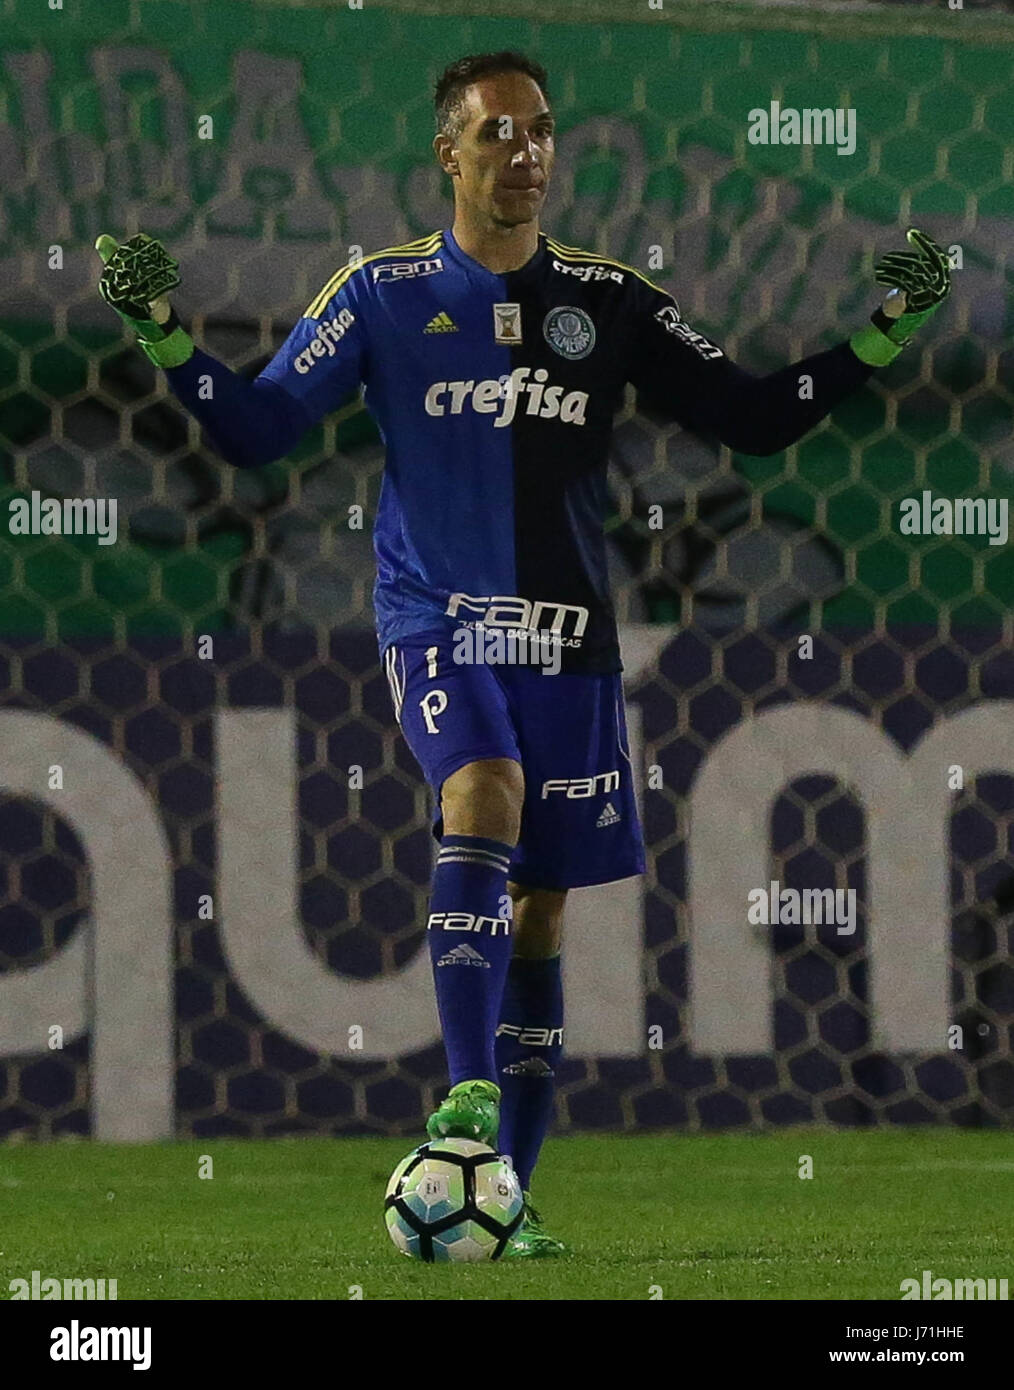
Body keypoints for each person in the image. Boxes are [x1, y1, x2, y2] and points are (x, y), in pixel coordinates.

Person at [95, 49, 950, 1258]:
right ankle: (465, 1092)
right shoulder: (381, 293)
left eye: (541, 130)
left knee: (541, 915)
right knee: (479, 789)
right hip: (437, 617)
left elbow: (753, 421)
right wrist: (164, 333)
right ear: (448, 154)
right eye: (498, 133)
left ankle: (506, 1197)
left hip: (571, 641)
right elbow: (258, 428)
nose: (527, 152)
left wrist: (881, 333)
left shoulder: (606, 300)